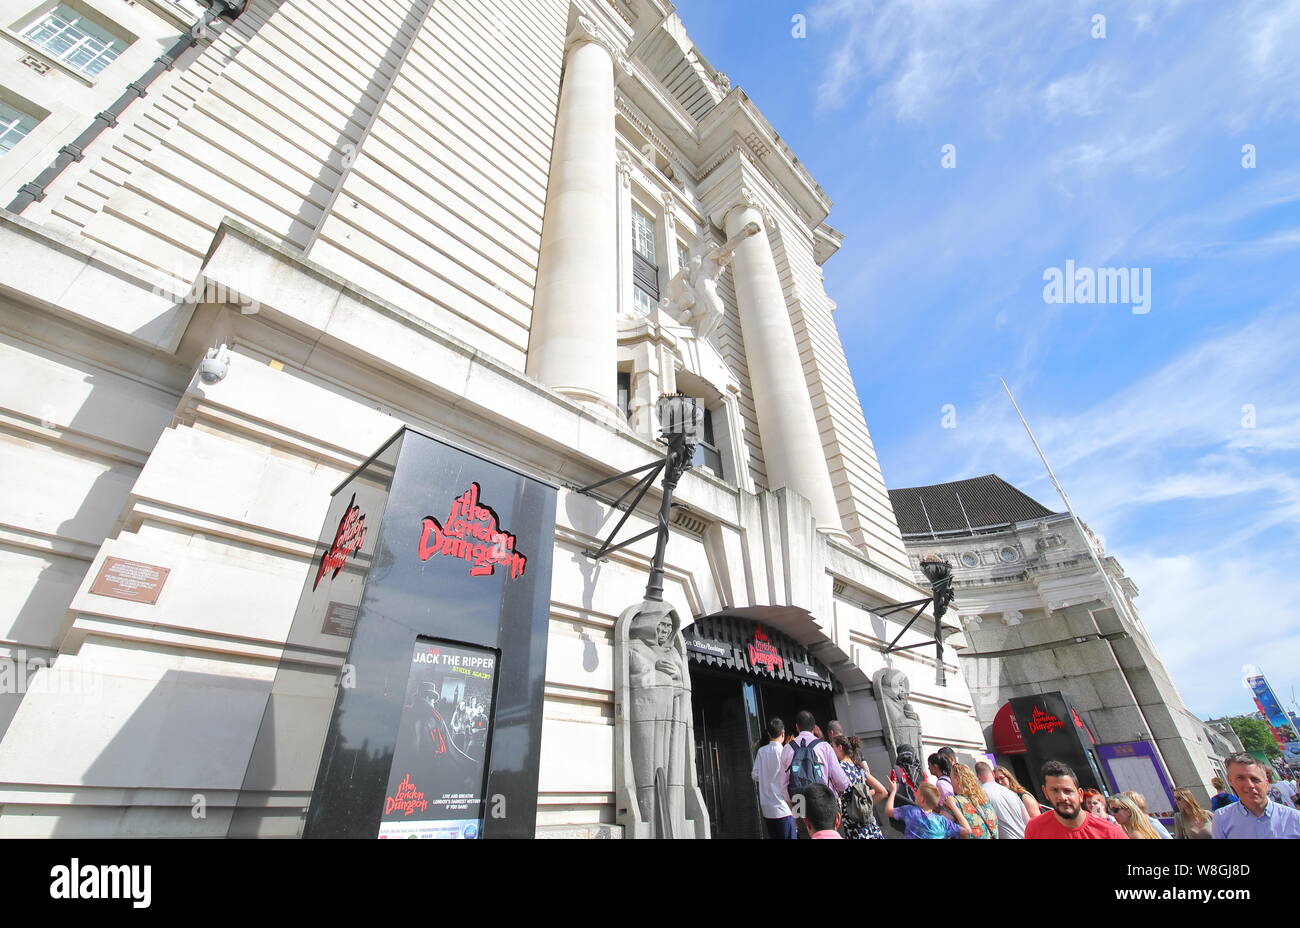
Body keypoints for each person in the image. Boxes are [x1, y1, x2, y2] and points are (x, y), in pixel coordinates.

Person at [1025, 760, 1127, 839]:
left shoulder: (1110, 833)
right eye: (1054, 790)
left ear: (1080, 794)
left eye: (1067, 791)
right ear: (1046, 793)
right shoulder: (1035, 829)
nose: (1062, 797)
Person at [1213, 753, 1300, 838]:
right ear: (1230, 781)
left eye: (1255, 779)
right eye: (1240, 778)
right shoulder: (1221, 818)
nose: (1249, 785)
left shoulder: (1295, 818)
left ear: (1266, 782)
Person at [780, 710, 849, 805]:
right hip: (824, 802)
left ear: (797, 727)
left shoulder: (787, 748)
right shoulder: (824, 747)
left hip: (799, 804)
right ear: (814, 727)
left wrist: (793, 803)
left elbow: (783, 785)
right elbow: (841, 782)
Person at [831, 734, 886, 839]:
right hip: (872, 827)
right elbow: (882, 792)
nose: (831, 751)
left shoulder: (839, 769)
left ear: (840, 748)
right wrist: (865, 807)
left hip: (854, 828)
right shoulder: (859, 770)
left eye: (832, 746)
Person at [752, 717, 795, 839]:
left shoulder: (761, 751)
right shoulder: (785, 751)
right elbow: (792, 777)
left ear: (769, 734)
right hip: (784, 807)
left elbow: (755, 775)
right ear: (783, 733)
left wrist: (766, 777)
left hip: (767, 808)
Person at [887, 775, 967, 839]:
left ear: (922, 799)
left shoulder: (910, 811)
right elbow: (967, 830)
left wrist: (893, 791)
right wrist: (953, 806)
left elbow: (888, 811)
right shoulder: (943, 822)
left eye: (917, 793)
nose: (915, 795)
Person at [976, 761, 1027, 839]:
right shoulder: (1011, 792)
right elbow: (1027, 820)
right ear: (993, 774)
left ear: (978, 777)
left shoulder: (981, 794)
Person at [950, 762, 998, 839]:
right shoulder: (984, 800)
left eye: (951, 778)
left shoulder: (954, 802)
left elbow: (941, 830)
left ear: (957, 779)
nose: (950, 782)